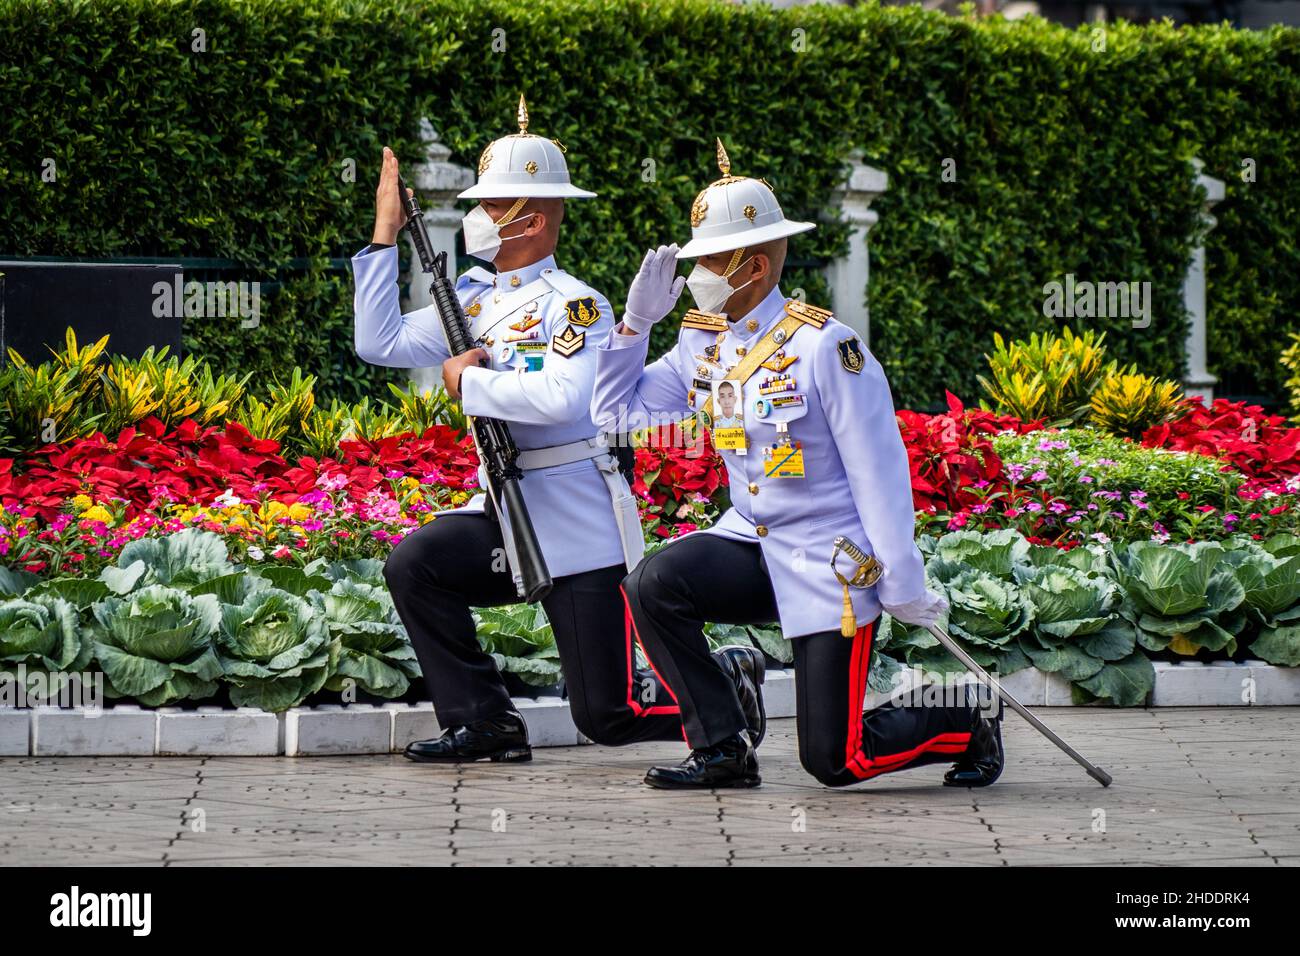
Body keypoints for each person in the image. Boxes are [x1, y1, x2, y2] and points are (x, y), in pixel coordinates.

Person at [352, 101, 763, 763]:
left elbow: (569, 399)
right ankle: (484, 721)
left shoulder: (573, 304)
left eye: (492, 205)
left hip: (574, 522)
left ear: (533, 217)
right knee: (417, 565)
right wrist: (383, 236)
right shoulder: (473, 295)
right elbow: (381, 342)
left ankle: (726, 688)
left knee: (607, 714)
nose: (476, 217)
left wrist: (469, 384)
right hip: (506, 512)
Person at [591, 140, 1005, 789]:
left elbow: (879, 468)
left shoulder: (825, 347)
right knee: (653, 584)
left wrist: (900, 575)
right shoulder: (705, 341)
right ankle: (722, 746)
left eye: (710, 260)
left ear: (753, 265)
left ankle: (964, 718)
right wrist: (634, 326)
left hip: (827, 562)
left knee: (836, 761)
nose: (697, 272)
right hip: (751, 540)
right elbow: (614, 415)